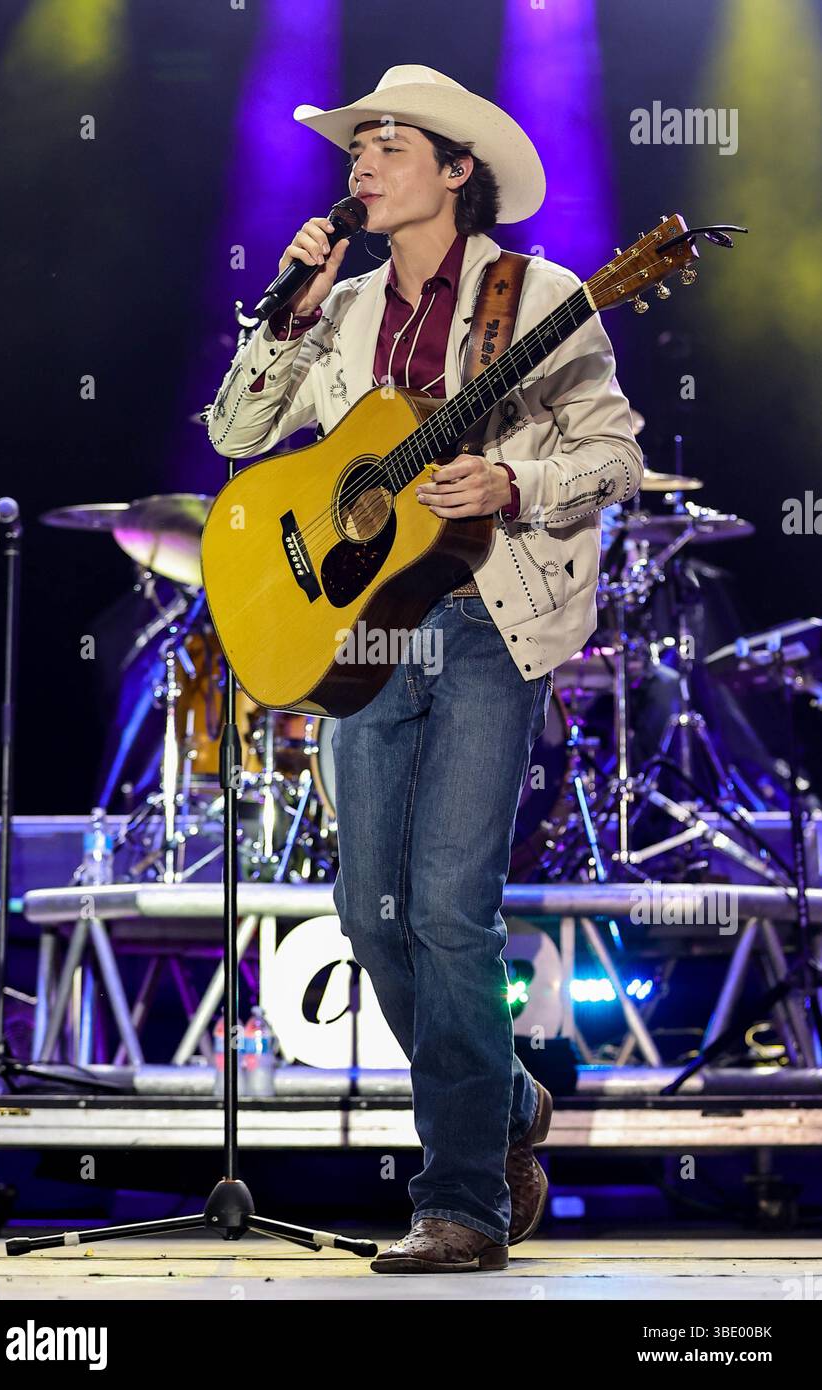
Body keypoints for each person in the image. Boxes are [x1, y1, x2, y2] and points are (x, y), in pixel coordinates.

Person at [206, 65, 643, 1273]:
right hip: (362, 632)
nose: (362, 161)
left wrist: (516, 483)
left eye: (388, 144)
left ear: (457, 172)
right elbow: (237, 437)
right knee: (366, 911)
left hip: (489, 624)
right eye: (359, 146)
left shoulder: (539, 296)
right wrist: (282, 312)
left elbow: (613, 453)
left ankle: (462, 1201)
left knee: (450, 910)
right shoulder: (337, 308)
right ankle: (506, 1107)